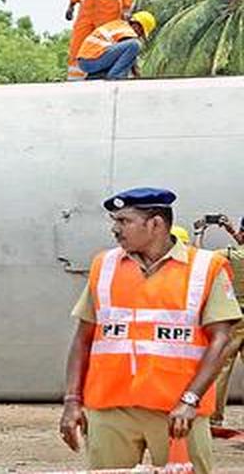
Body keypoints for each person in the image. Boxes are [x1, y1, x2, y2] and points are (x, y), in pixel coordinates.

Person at [59, 188, 241, 474]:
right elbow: (83, 339)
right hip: (110, 408)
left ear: (155, 224)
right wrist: (72, 401)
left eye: (124, 221)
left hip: (178, 411)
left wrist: (190, 399)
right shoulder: (104, 266)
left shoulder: (205, 268)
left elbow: (221, 339)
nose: (115, 229)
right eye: (115, 221)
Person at [191, 214, 244, 430]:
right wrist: (232, 231)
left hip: (234, 318)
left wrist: (199, 232)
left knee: (221, 368)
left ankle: (215, 418)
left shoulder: (229, 256)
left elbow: (199, 259)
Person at [76, 11, 157, 80]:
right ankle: (115, 77)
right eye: (141, 32)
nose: (139, 35)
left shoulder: (120, 26)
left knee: (129, 55)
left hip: (88, 61)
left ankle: (97, 76)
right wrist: (138, 78)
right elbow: (131, 59)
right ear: (137, 26)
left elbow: (126, 58)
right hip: (92, 60)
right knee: (135, 45)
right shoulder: (127, 31)